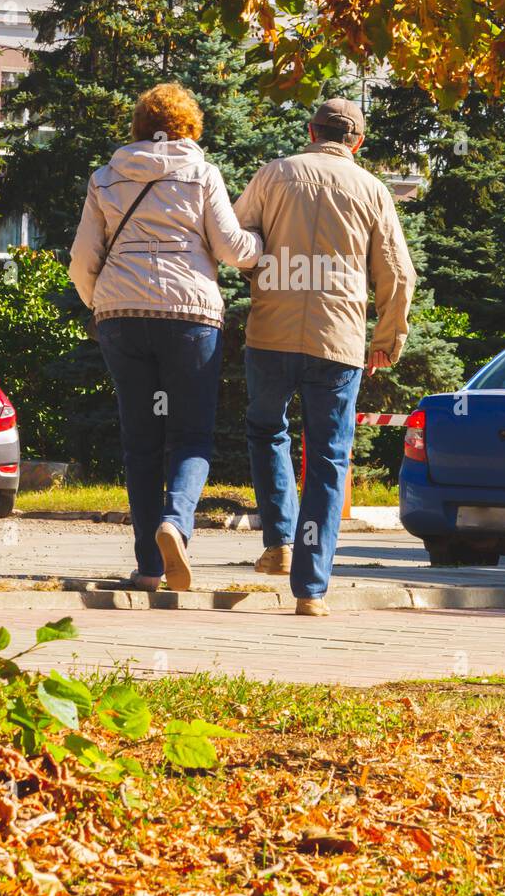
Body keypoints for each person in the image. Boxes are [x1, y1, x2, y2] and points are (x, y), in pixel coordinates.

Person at [69, 83, 262, 591]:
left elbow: (81, 260)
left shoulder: (106, 178)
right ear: (190, 128)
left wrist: (104, 304)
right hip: (189, 316)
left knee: (140, 442)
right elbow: (231, 248)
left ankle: (149, 568)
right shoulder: (201, 174)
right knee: (191, 435)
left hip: (121, 316)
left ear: (138, 125)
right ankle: (175, 524)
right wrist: (260, 243)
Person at [234, 97, 416, 616]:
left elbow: (236, 237)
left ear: (311, 130)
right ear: (356, 141)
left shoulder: (273, 175)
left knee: (267, 430)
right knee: (330, 458)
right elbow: (398, 274)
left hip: (270, 331)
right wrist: (386, 339)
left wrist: (260, 274)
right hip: (337, 341)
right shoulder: (373, 190)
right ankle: (310, 590)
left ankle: (279, 540)